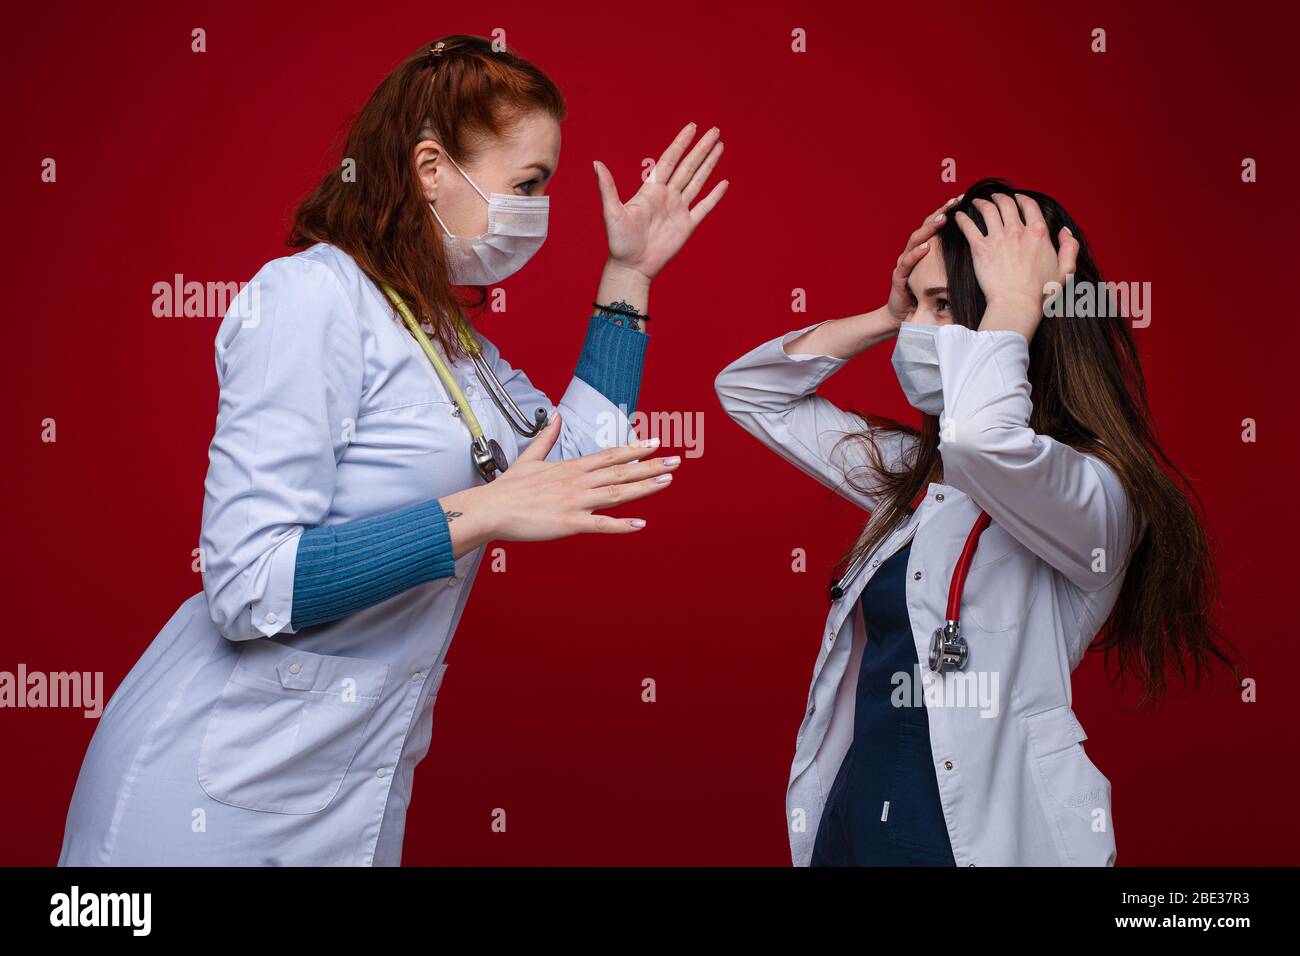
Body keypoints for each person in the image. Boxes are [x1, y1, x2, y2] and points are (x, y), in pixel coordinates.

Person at [57, 34, 727, 866]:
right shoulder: (307, 299)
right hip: (203, 797)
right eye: (528, 184)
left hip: (352, 782)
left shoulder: (449, 340)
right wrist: (479, 513)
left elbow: (579, 459)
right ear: (431, 168)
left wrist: (629, 272)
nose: (539, 211)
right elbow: (246, 582)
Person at [714, 178, 1242, 866]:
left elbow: (984, 441)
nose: (918, 332)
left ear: (1021, 325)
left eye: (946, 306)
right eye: (920, 305)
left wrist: (1018, 302)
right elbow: (751, 394)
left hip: (971, 841)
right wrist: (885, 313)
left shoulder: (1100, 494)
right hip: (853, 827)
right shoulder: (916, 474)